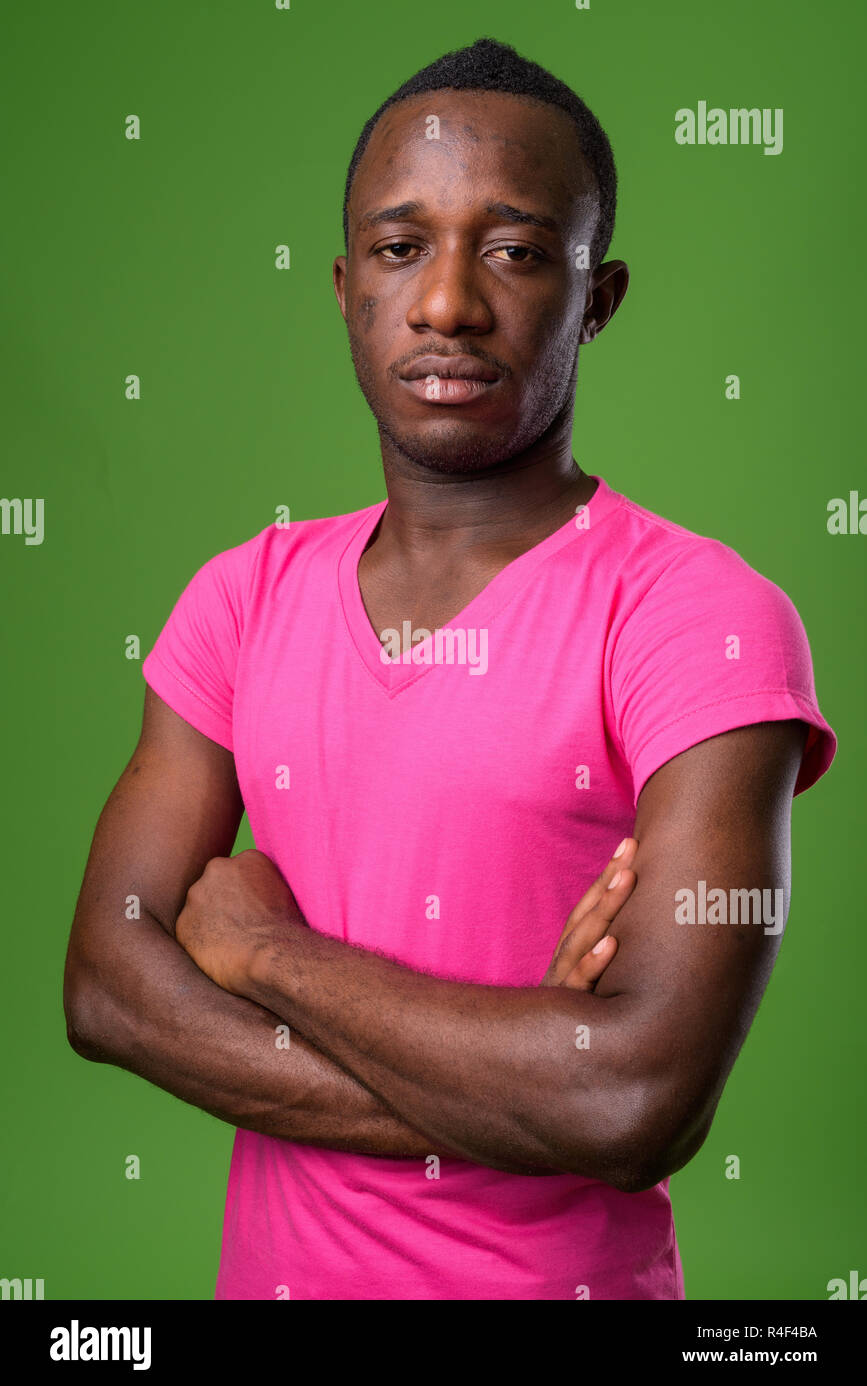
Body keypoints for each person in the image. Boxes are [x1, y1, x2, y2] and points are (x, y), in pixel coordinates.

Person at [64, 36, 836, 1300]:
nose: (447, 305)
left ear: (600, 297)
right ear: (345, 287)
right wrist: (520, 1077)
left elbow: (638, 1096)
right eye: (400, 246)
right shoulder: (239, 597)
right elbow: (106, 986)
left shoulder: (701, 618)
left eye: (519, 251)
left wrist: (267, 957)